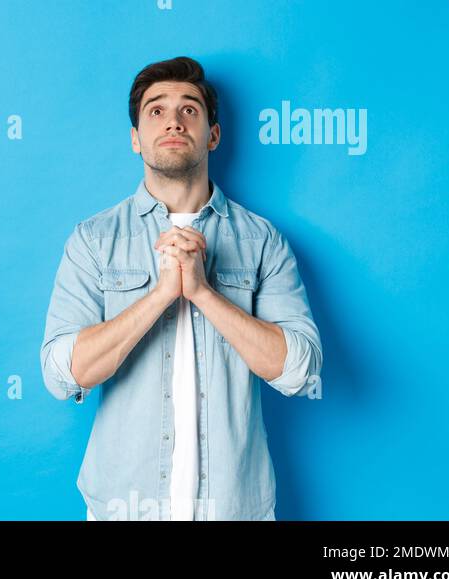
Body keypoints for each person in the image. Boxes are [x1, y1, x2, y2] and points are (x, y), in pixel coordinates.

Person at [40, 56, 321, 521]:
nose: (173, 120)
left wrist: (204, 293)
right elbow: (62, 373)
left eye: (189, 109)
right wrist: (161, 295)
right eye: (156, 110)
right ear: (136, 138)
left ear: (213, 134)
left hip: (235, 510)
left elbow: (299, 371)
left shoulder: (262, 241)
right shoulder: (92, 240)